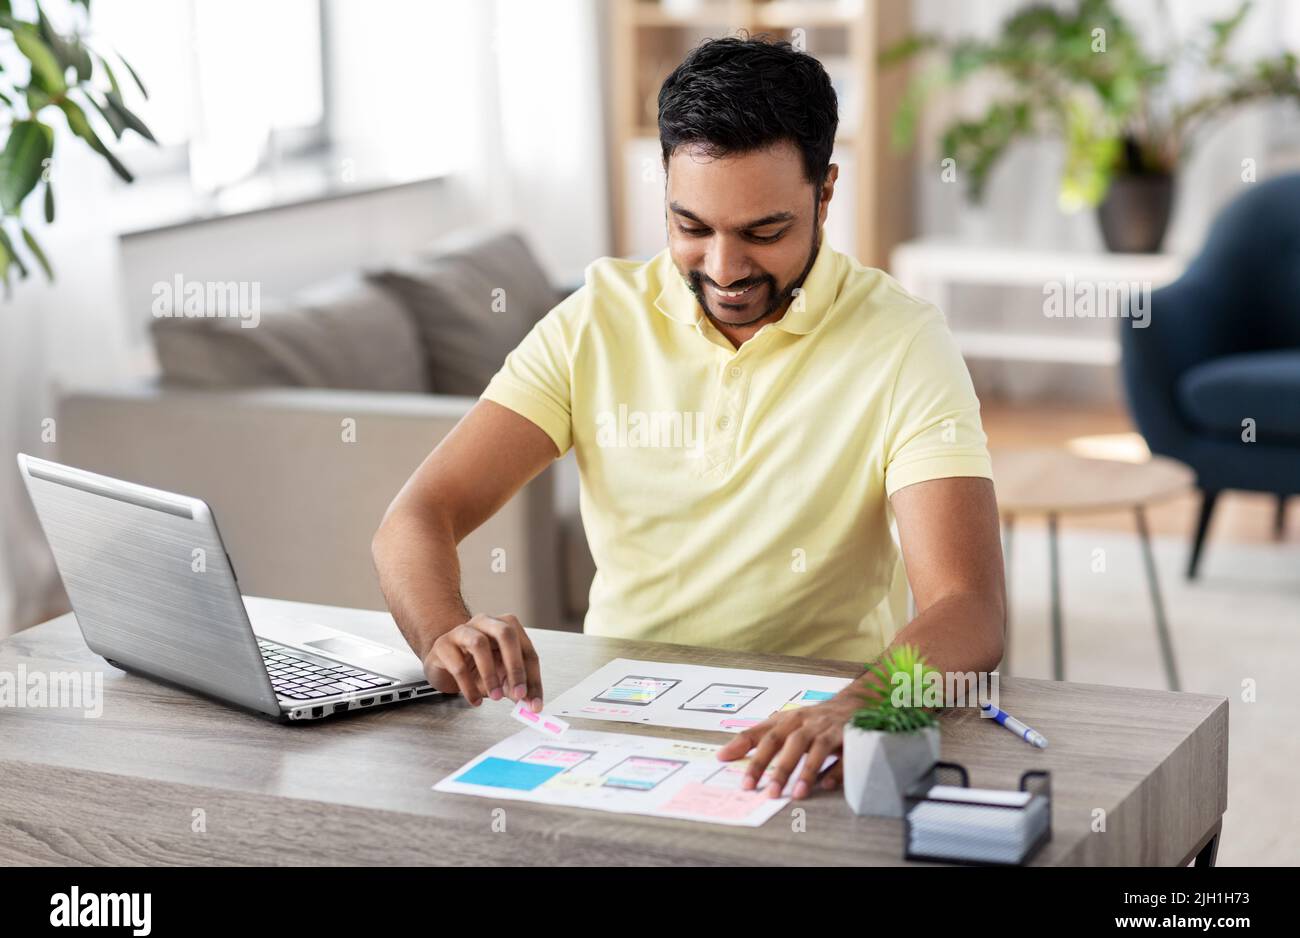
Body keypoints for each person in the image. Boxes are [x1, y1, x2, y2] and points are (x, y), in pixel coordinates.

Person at [372, 36, 1005, 801]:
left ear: (825, 193)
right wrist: (446, 630)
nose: (726, 269)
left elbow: (967, 607)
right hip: (614, 724)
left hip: (812, 730)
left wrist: (864, 705)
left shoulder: (903, 342)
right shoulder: (596, 320)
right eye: (692, 227)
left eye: (764, 233)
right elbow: (417, 515)